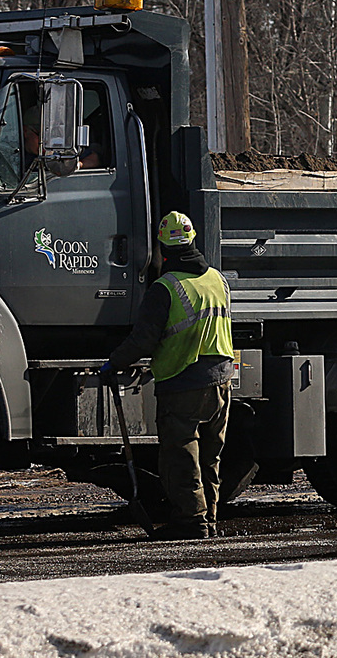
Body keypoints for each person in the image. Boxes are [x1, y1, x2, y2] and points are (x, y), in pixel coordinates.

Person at [99, 212, 236, 539]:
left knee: (181, 456)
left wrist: (113, 364)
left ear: (161, 250)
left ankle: (192, 522)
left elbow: (143, 339)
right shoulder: (218, 280)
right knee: (209, 456)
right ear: (193, 241)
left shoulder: (165, 288)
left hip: (182, 380)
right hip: (221, 380)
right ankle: (209, 517)